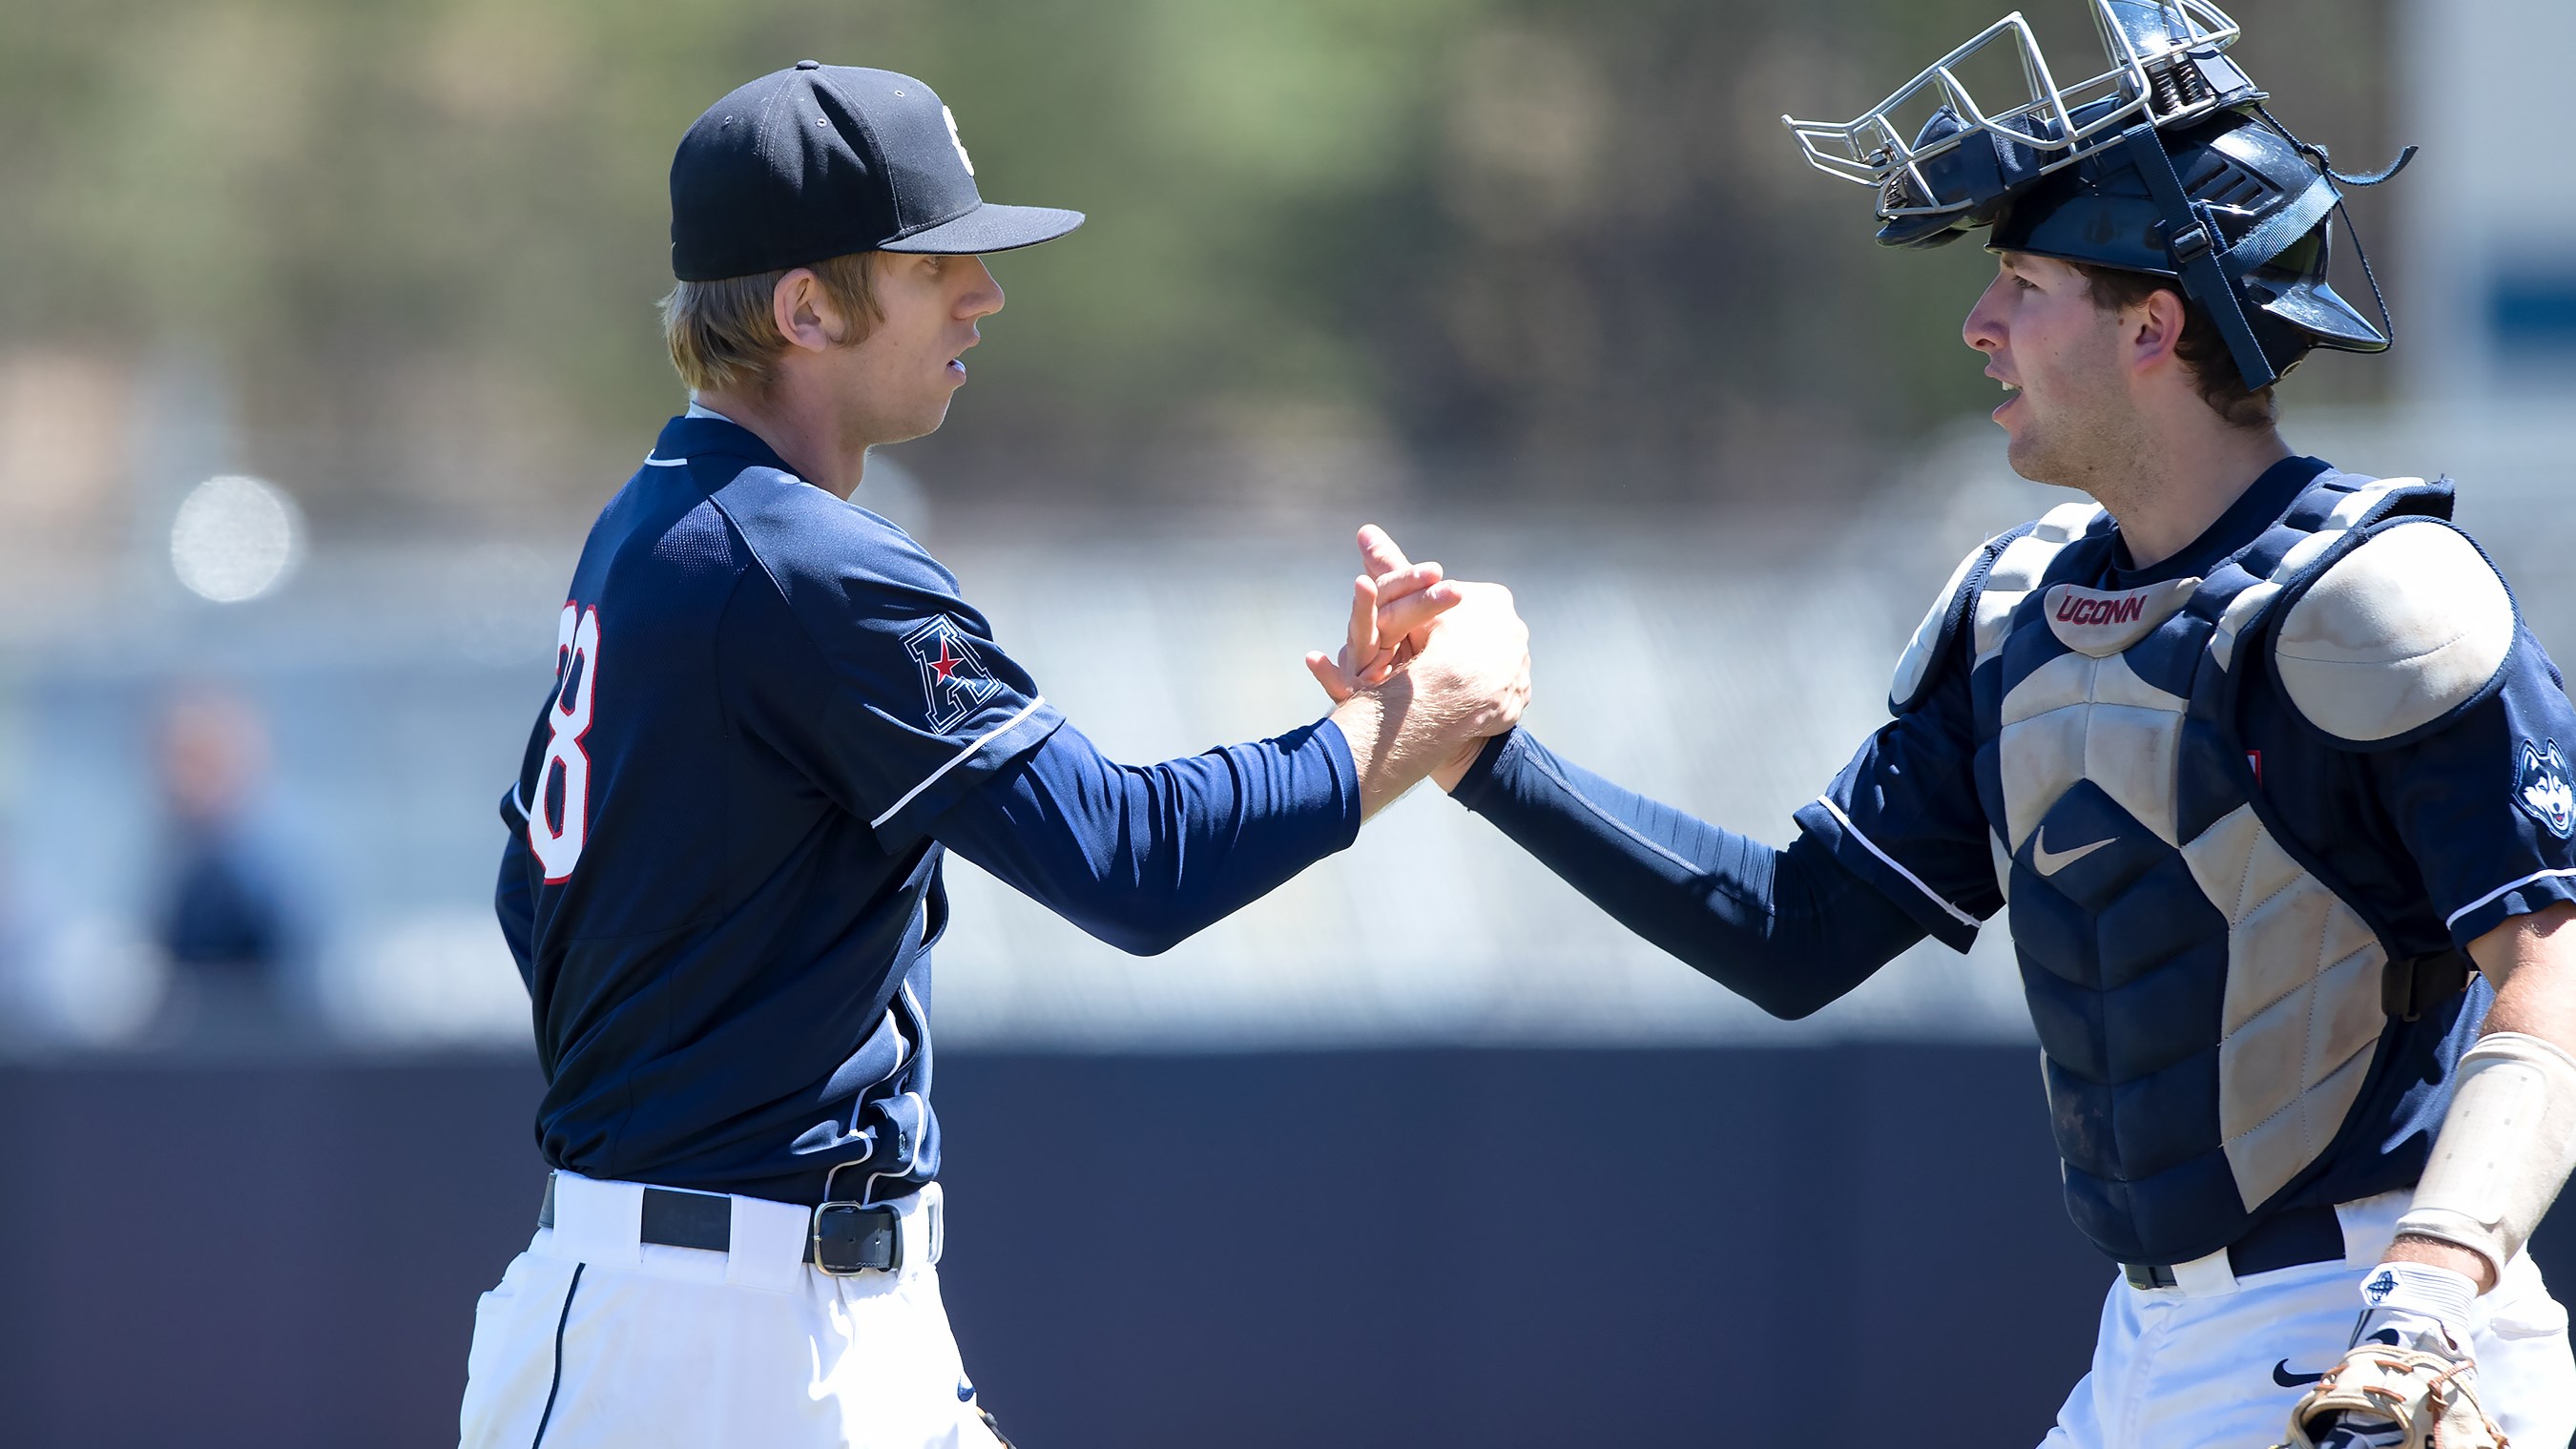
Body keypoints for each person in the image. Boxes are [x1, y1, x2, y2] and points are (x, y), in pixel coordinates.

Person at [1348, 7, 2576, 1445]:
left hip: (2373, 1323)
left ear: (2152, 326)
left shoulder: (2377, 596)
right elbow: (1792, 935)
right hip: (2147, 1345)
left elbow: (2551, 968)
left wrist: (2431, 1295)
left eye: (2021, 282)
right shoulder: (2018, 609)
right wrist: (1481, 755)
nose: (1981, 325)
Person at [460, 61, 1528, 1449]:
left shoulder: (662, 526)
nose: (985, 292)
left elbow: (525, 888)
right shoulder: (794, 562)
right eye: (937, 260)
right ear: (806, 307)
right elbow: (1132, 863)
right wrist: (1407, 721)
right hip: (701, 1349)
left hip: (793, 1308)